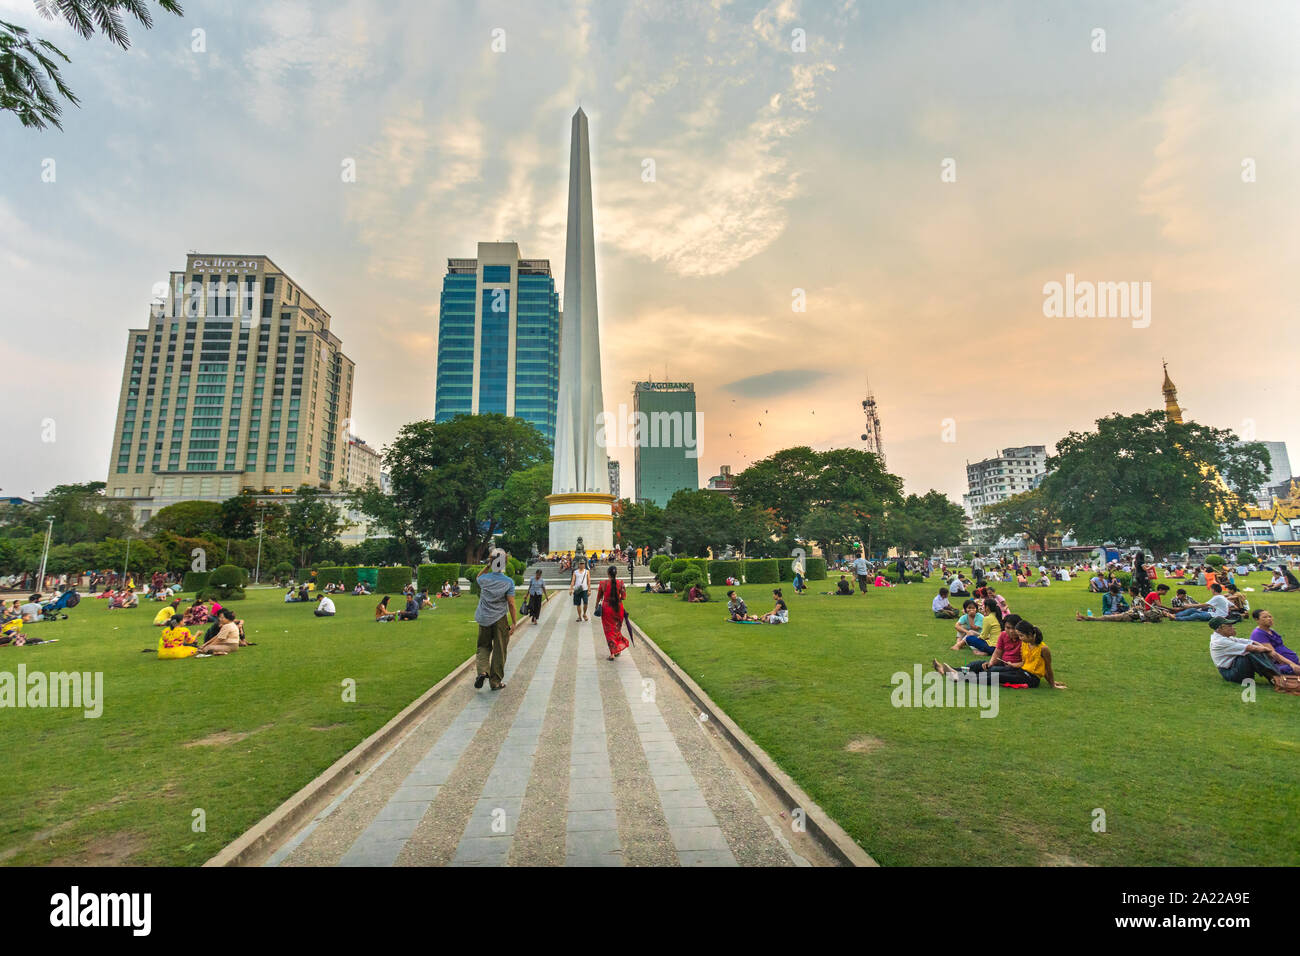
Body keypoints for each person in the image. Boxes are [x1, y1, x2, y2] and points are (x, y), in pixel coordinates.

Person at [474, 552, 517, 691]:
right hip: (499, 619)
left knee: (483, 647)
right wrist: (514, 622)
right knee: (500, 650)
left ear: (492, 563)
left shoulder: (484, 579)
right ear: (504, 564)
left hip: (484, 618)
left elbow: (477, 577)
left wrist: (487, 565)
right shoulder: (508, 582)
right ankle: (495, 682)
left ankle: (482, 672)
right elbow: (511, 604)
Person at [1208, 617, 1292, 685]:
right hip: (1230, 673)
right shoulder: (1220, 641)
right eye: (1229, 626)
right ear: (1219, 629)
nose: (1233, 627)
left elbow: (1252, 642)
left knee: (1254, 651)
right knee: (1250, 653)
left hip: (1235, 669)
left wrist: (1265, 649)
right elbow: (1251, 648)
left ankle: (1276, 677)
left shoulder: (1226, 638)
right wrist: (1269, 651)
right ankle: (1277, 677)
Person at [596, 565, 630, 660]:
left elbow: (599, 597)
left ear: (608, 573)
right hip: (618, 608)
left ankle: (612, 653)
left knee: (609, 631)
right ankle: (617, 650)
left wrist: (596, 607)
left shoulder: (603, 583)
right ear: (616, 573)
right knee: (616, 630)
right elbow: (624, 597)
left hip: (607, 608)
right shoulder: (621, 583)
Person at [1249, 609, 1297, 675]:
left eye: (1270, 616)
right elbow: (1272, 654)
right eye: (1265, 617)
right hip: (1278, 665)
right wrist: (1292, 664)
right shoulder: (1258, 634)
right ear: (1257, 620)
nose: (1269, 619)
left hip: (1289, 662)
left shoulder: (1270, 630)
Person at [570, 558, 591, 623]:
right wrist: (571, 589)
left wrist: (589, 590)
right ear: (578, 564)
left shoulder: (587, 571)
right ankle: (579, 616)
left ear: (584, 565)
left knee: (586, 602)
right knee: (578, 604)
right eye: (580, 563)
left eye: (583, 564)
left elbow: (588, 581)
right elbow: (573, 581)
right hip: (577, 590)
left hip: (584, 589)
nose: (582, 565)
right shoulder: (575, 572)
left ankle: (584, 614)